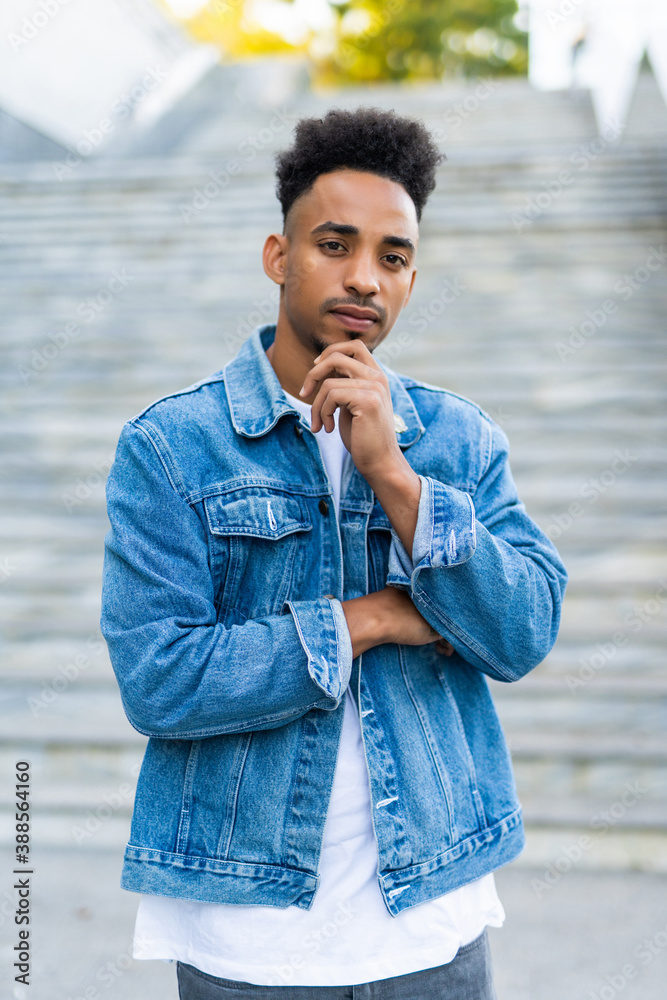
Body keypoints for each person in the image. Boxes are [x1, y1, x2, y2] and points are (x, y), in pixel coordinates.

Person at [101, 107, 567, 999]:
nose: (363, 278)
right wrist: (370, 619)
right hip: (248, 936)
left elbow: (522, 632)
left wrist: (395, 474)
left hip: (432, 920)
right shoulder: (172, 447)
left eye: (391, 257)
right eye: (333, 244)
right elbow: (158, 677)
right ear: (278, 257)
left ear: (411, 277)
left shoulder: (456, 441)